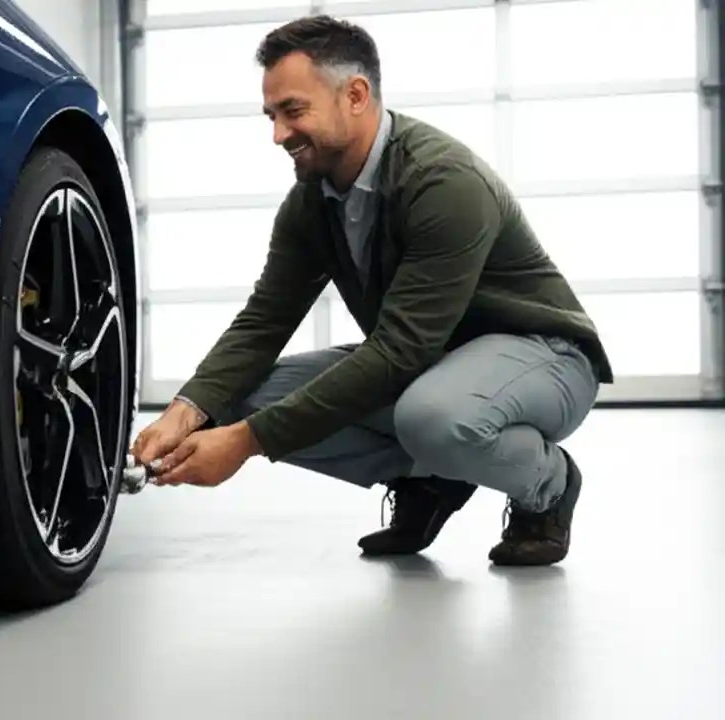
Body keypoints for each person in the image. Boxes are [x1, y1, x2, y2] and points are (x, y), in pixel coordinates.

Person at [129, 15, 612, 567]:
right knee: (240, 397)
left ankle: (548, 484)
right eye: (272, 116)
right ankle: (433, 479)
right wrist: (186, 411)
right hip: (436, 364)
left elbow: (400, 350)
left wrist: (245, 443)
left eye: (293, 111)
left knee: (433, 418)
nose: (279, 134)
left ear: (355, 95)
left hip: (545, 359)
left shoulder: (444, 182)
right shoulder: (312, 200)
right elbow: (264, 320)